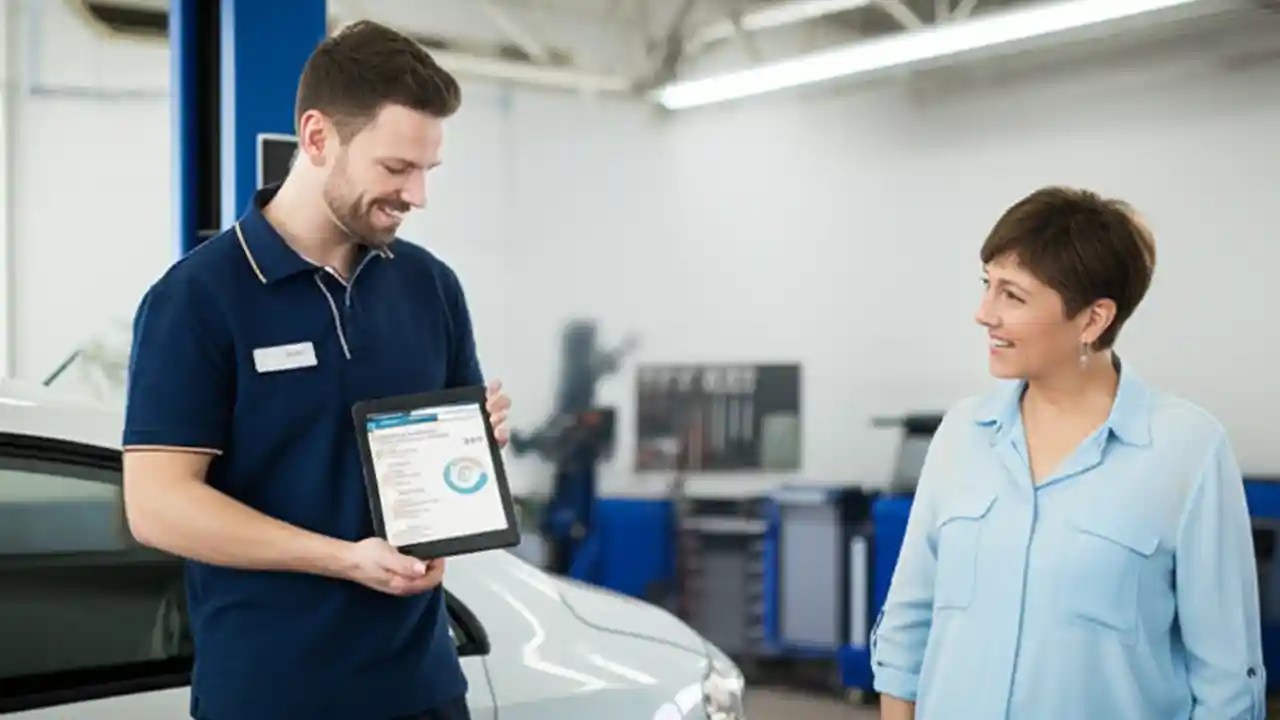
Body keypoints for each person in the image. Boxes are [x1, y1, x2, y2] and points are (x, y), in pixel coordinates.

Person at [120, 20, 509, 720]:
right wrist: (341, 558)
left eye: (427, 171)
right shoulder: (199, 299)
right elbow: (157, 506)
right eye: (396, 169)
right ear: (319, 137)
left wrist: (475, 447)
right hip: (274, 696)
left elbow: (440, 479)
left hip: (423, 689)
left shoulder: (431, 287)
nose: (417, 196)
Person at [870, 187, 1265, 719]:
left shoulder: (1187, 451)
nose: (984, 314)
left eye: (1012, 295)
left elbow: (1226, 682)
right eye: (987, 286)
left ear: (1093, 319)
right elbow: (905, 630)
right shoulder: (961, 435)